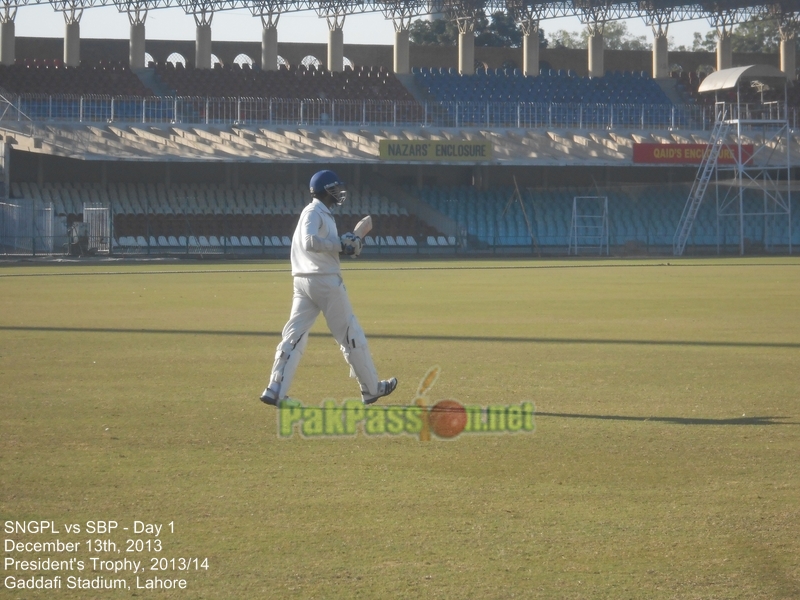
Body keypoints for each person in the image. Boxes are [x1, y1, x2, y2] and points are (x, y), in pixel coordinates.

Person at [261, 170, 397, 407]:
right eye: (335, 188)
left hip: (303, 281)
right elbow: (310, 242)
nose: (339, 192)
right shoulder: (314, 211)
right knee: (350, 335)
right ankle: (372, 389)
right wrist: (341, 245)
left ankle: (275, 389)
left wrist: (344, 245)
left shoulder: (320, 213)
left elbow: (319, 244)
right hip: (324, 282)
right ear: (326, 190)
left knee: (294, 337)